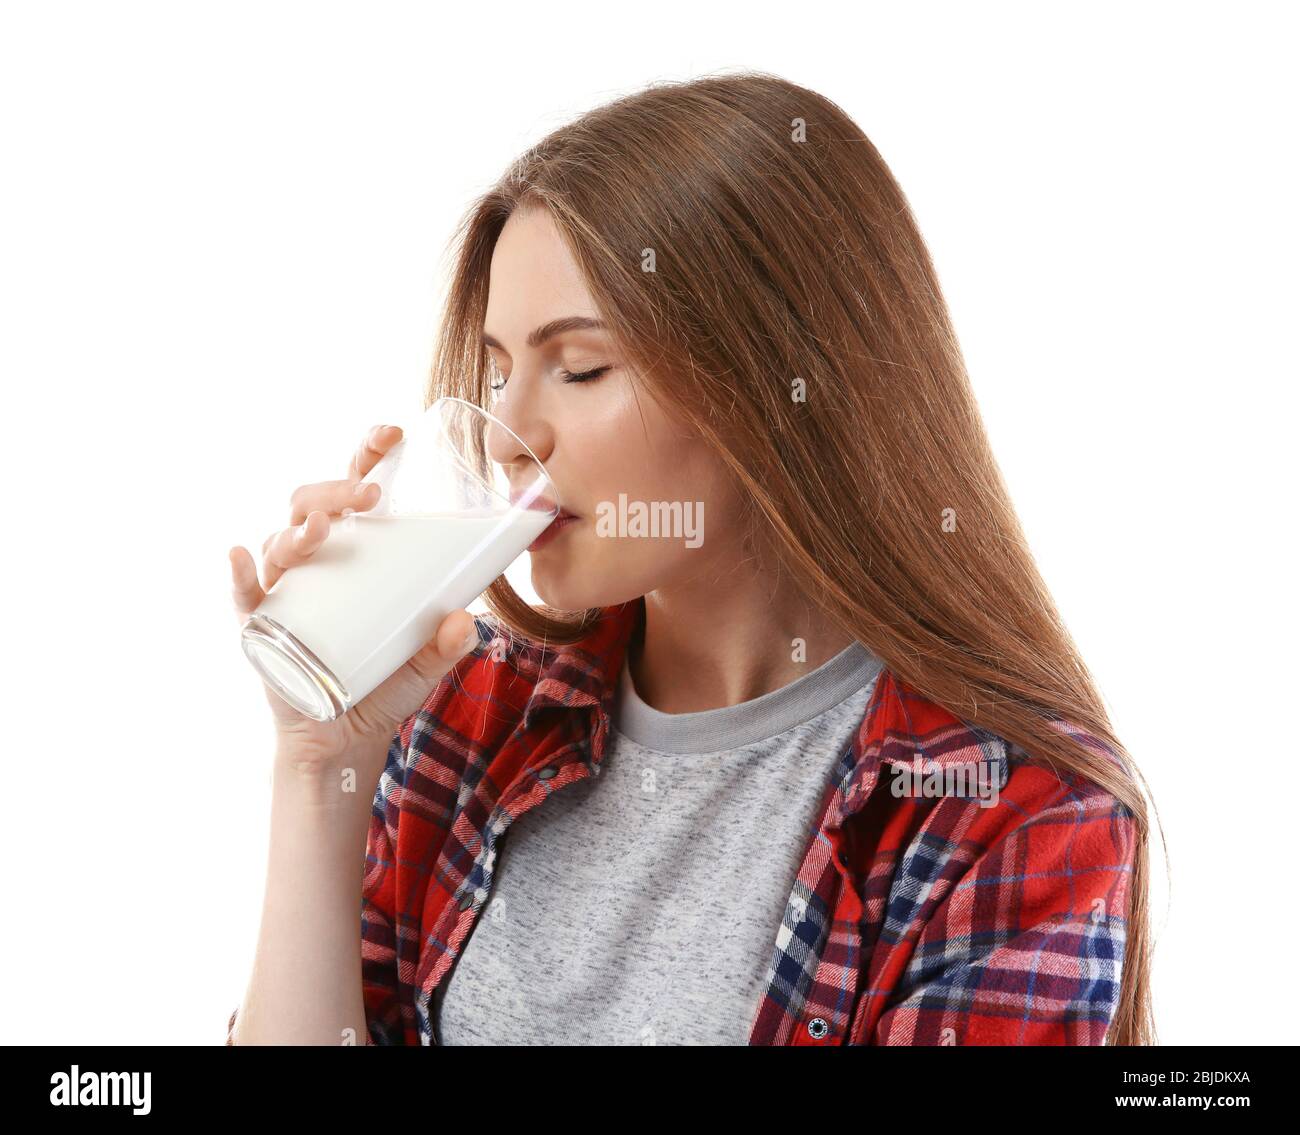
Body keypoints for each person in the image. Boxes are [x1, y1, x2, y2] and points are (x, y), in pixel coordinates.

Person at [226, 71, 1154, 1046]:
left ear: (771, 376)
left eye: (580, 367)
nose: (505, 434)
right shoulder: (471, 714)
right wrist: (317, 765)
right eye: (498, 372)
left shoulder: (1013, 810)